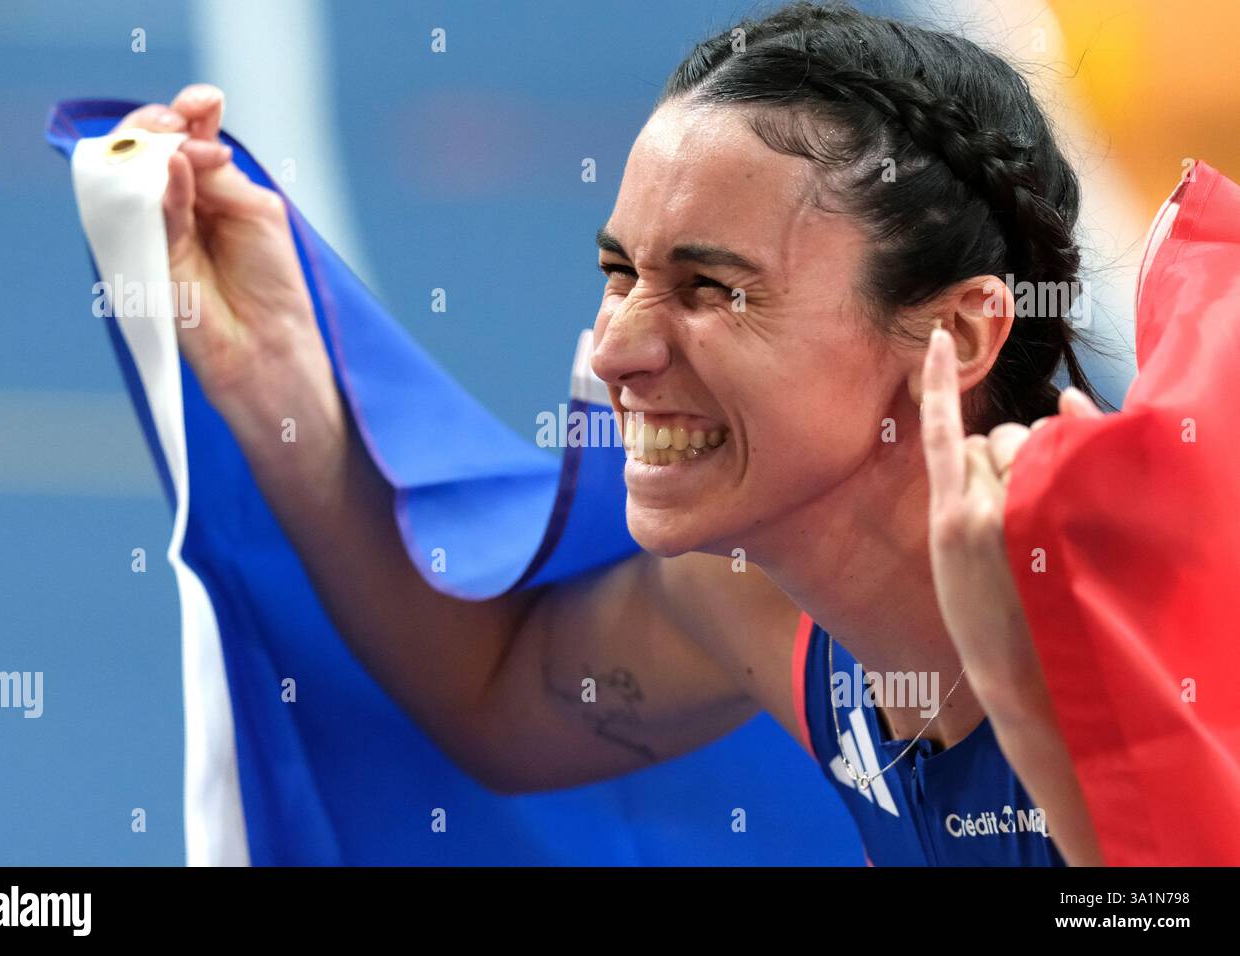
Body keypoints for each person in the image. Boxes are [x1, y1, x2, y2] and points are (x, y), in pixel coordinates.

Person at [112, 1, 1112, 865]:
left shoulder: (1132, 626)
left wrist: (1035, 699)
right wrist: (276, 363)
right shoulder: (769, 611)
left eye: (714, 288)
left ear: (955, 330)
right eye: (620, 273)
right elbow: (496, 691)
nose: (615, 349)